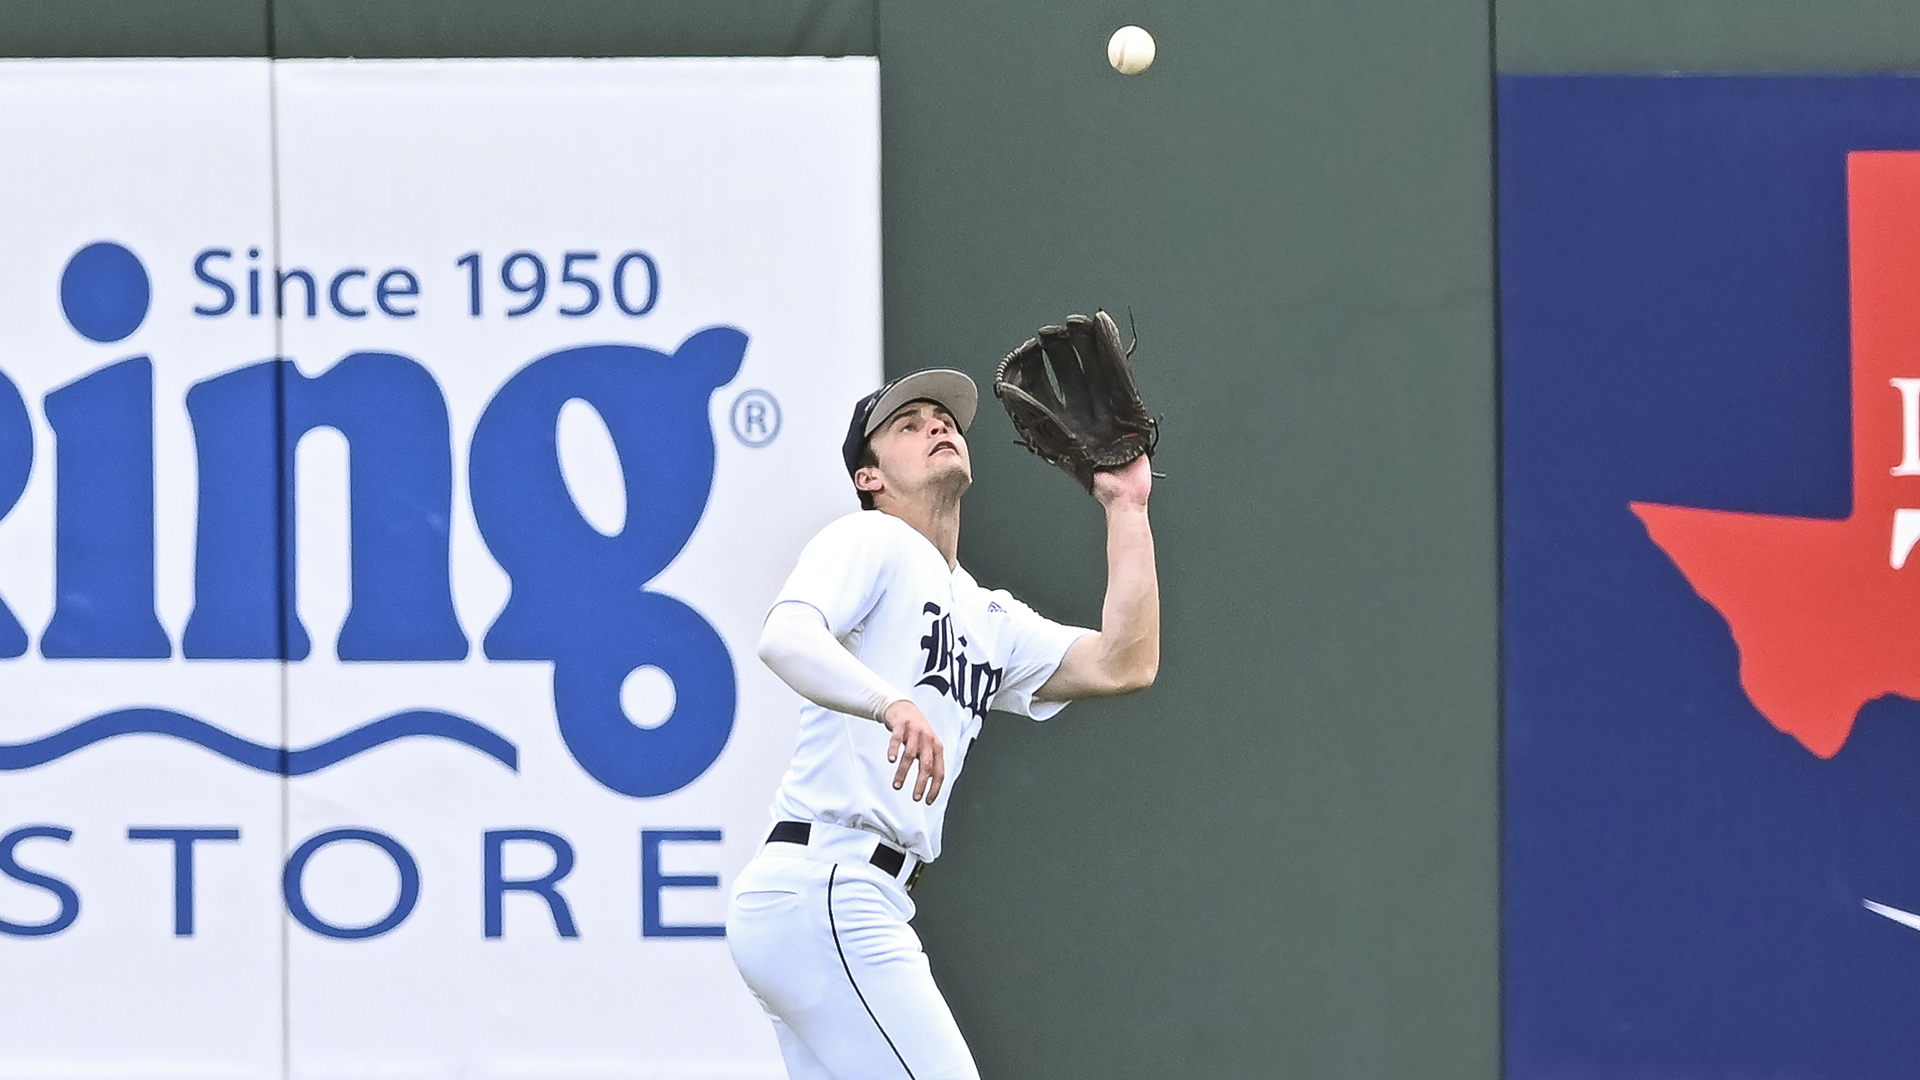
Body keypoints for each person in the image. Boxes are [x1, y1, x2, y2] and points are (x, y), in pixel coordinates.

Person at [725, 367, 1159, 1080]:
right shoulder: (873, 542)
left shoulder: (986, 614)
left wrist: (1126, 506)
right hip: (827, 885)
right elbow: (786, 636)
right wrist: (889, 701)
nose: (937, 424)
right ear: (869, 477)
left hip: (847, 898)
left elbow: (1123, 663)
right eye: (908, 422)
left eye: (944, 417)